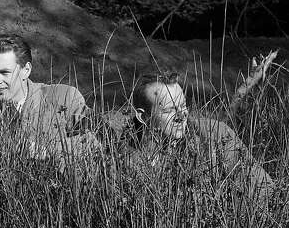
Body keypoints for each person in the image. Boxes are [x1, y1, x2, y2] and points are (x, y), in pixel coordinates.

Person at [114, 73, 273, 204]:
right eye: (169, 110)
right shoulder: (123, 159)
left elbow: (263, 188)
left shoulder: (215, 133)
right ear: (143, 117)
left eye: (183, 106)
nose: (181, 115)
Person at [0, 33, 96, 162]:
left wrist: (48, 151)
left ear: (26, 70)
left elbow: (94, 144)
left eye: (5, 72)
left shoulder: (64, 98)